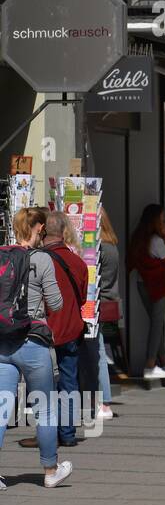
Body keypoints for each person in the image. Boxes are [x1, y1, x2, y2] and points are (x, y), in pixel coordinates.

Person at [0, 208, 73, 487]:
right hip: (33, 341)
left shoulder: (2, 254)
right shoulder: (41, 259)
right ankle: (50, 471)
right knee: (45, 408)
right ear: (39, 228)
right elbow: (55, 303)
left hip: (3, 342)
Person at [32, 211, 89, 450]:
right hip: (71, 330)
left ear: (43, 231)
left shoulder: (35, 260)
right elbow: (83, 298)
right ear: (64, 232)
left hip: (44, 332)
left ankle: (48, 433)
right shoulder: (78, 262)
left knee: (44, 385)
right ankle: (67, 433)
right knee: (69, 381)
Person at [127, 204, 165, 379]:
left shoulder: (138, 238)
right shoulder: (156, 240)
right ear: (156, 220)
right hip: (158, 285)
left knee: (158, 322)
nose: (163, 221)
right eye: (162, 219)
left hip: (142, 284)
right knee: (156, 324)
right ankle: (150, 364)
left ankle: (163, 359)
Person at [94, 207, 122, 419]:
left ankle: (104, 403)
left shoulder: (100, 248)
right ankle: (102, 402)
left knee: (99, 353)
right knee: (101, 351)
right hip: (109, 301)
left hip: (99, 303)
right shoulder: (112, 245)